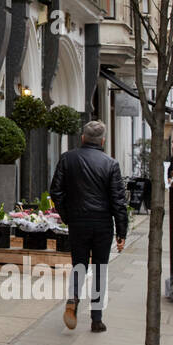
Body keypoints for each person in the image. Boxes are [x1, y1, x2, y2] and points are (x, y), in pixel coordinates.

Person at [49, 120, 128, 333]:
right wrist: (122, 231)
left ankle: (74, 299)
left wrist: (67, 215)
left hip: (78, 222)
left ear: (83, 138)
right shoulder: (111, 164)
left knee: (79, 265)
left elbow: (56, 191)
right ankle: (96, 319)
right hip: (103, 224)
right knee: (100, 268)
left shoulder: (68, 159)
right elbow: (119, 201)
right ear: (102, 141)